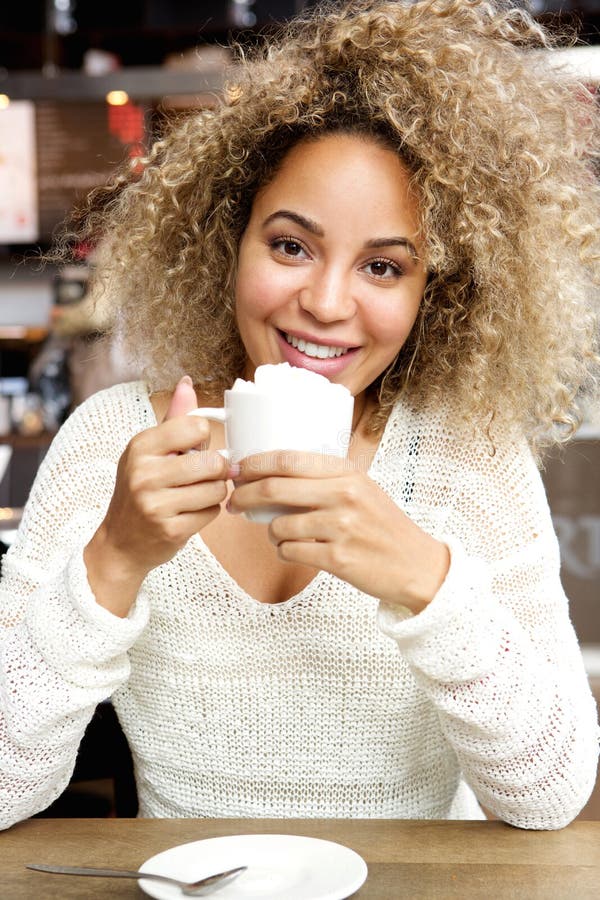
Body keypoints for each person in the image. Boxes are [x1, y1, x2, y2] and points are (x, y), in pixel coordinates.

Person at [1, 0, 599, 830]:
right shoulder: (112, 442)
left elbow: (552, 797)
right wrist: (113, 559)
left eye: (384, 267)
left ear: (438, 293)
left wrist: (426, 582)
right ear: (227, 241)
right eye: (290, 245)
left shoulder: (470, 458)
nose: (324, 302)